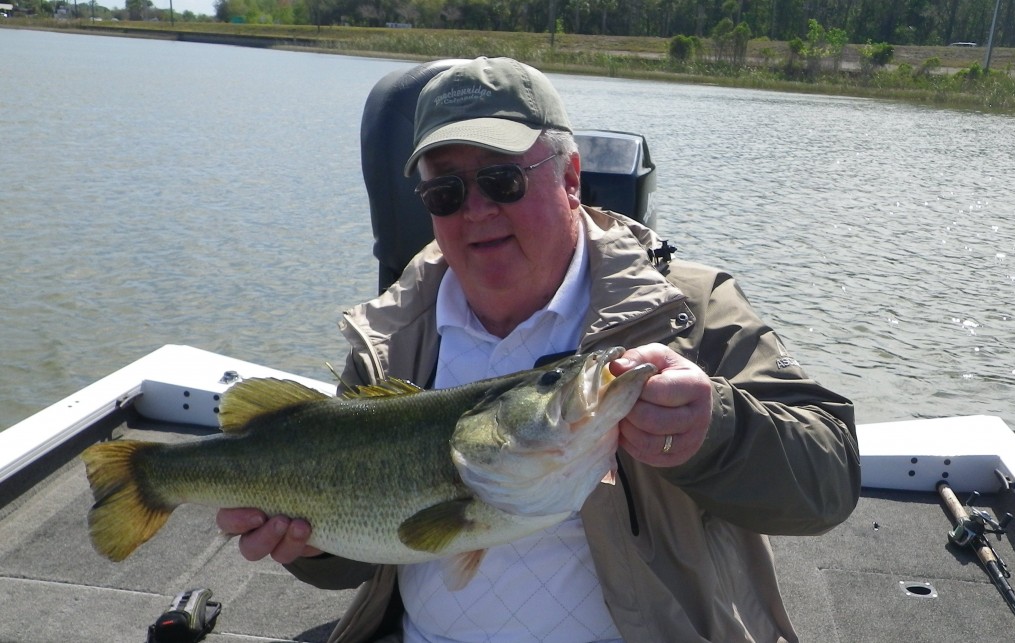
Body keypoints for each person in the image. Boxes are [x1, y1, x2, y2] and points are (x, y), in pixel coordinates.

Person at [217, 56, 860, 642]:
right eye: (446, 192)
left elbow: (830, 480)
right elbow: (373, 549)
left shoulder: (686, 311)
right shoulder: (390, 339)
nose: (476, 212)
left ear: (571, 176)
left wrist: (714, 430)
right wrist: (309, 547)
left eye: (502, 181)